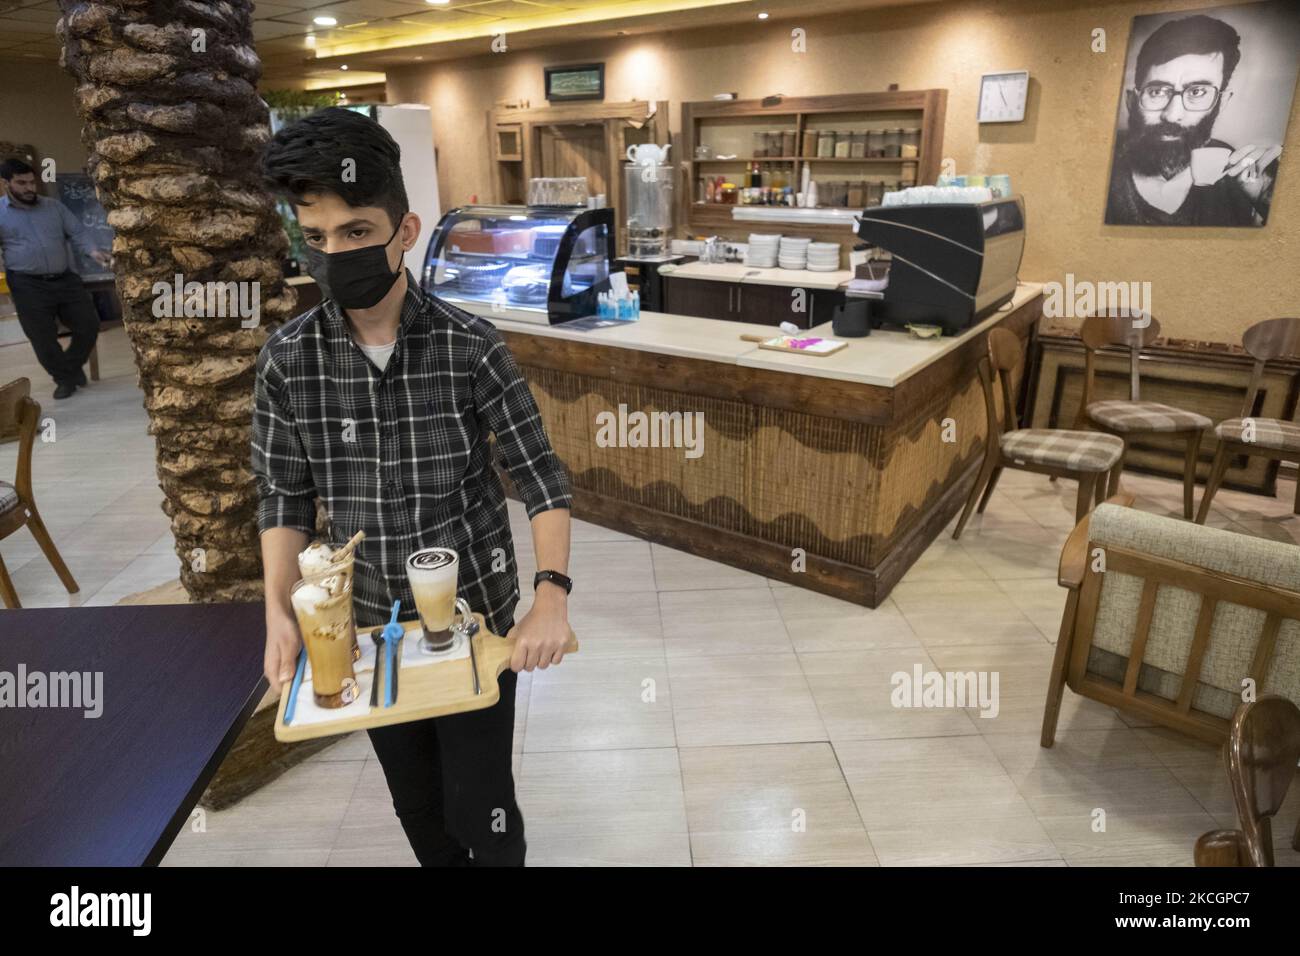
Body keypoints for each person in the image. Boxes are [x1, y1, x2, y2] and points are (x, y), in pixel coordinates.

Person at [254, 108, 575, 867]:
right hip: (365, 625)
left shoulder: (471, 347)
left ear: (406, 230)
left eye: (357, 232)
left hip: (473, 621)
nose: (335, 254)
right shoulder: (287, 360)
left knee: (481, 802)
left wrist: (552, 594)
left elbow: (539, 475)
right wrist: (277, 611)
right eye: (318, 237)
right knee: (417, 802)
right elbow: (284, 495)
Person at [1105, 14, 1283, 226]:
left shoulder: (1242, 178)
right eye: (1157, 92)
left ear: (1222, 102)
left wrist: (1270, 206)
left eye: (1197, 92)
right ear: (1132, 101)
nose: (1172, 115)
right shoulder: (1099, 166)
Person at [0, 158, 110, 398]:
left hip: (64, 278)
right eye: (22, 183)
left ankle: (68, 369)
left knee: (88, 325)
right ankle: (64, 379)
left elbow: (78, 232)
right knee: (42, 338)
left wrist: (94, 252)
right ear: (6, 183)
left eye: (32, 182)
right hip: (26, 284)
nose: (30, 188)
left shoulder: (54, 207)